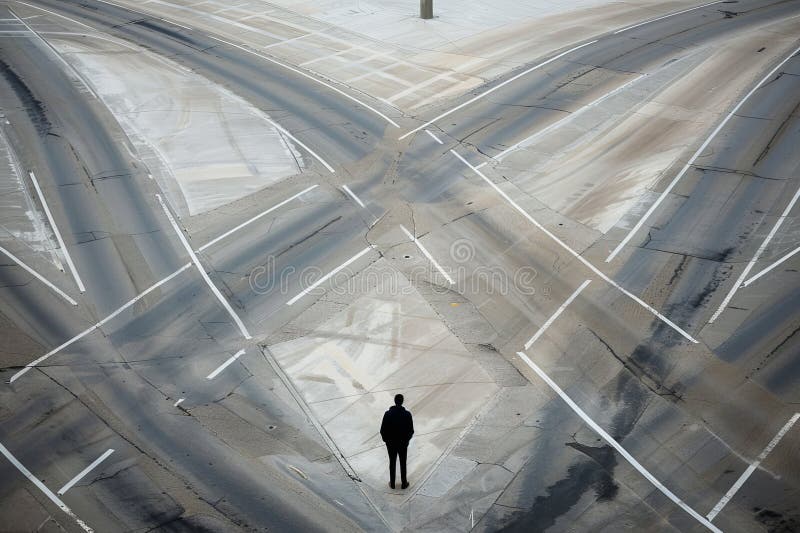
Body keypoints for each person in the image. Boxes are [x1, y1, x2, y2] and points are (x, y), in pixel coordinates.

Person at [380, 393, 414, 489]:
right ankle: (404, 483)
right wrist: (406, 440)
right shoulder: (407, 414)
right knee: (403, 463)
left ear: (394, 401)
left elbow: (382, 430)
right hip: (403, 443)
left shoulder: (388, 414)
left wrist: (386, 440)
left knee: (392, 462)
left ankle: (393, 483)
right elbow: (411, 430)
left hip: (391, 443)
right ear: (402, 401)